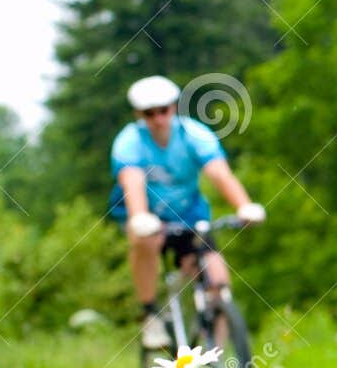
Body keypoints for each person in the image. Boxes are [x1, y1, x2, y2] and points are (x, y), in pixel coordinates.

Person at [108, 75, 265, 349]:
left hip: (189, 212)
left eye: (164, 110)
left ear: (174, 107)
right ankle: (150, 314)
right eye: (149, 113)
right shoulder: (129, 141)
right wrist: (140, 217)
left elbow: (219, 172)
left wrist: (244, 205)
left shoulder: (195, 134)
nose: (158, 119)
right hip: (146, 213)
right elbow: (132, 181)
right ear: (139, 114)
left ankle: (213, 356)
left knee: (217, 279)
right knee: (145, 239)